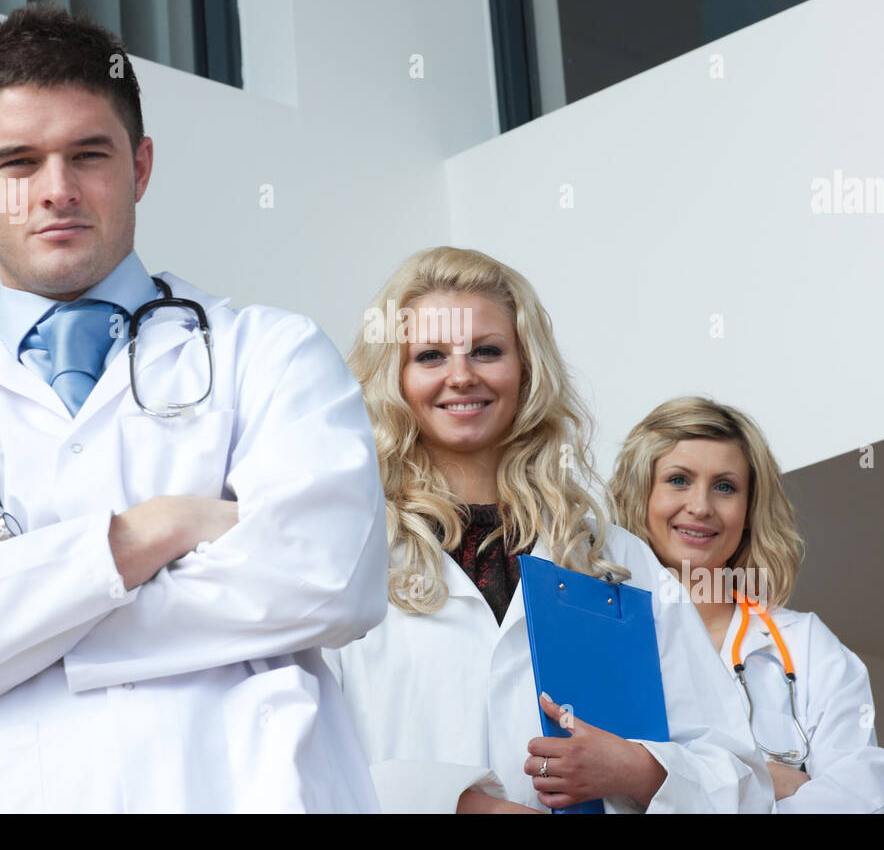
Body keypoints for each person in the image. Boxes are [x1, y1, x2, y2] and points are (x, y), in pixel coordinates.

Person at [0, 2, 388, 813]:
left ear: (141, 166)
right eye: (18, 163)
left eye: (89, 153)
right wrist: (157, 528)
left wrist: (1, 587)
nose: (57, 191)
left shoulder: (272, 355)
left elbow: (329, 578)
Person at [324, 247, 772, 813]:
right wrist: (459, 805)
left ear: (526, 369)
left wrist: (638, 769)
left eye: (487, 351)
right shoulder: (345, 549)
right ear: (396, 375)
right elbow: (292, 762)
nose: (461, 375)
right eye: (431, 355)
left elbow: (741, 781)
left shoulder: (612, 557)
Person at [610, 397, 884, 813]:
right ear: (640, 495)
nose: (700, 506)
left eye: (725, 487)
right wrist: (761, 783)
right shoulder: (595, 628)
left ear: (748, 511)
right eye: (678, 480)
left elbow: (867, 795)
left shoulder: (805, 646)